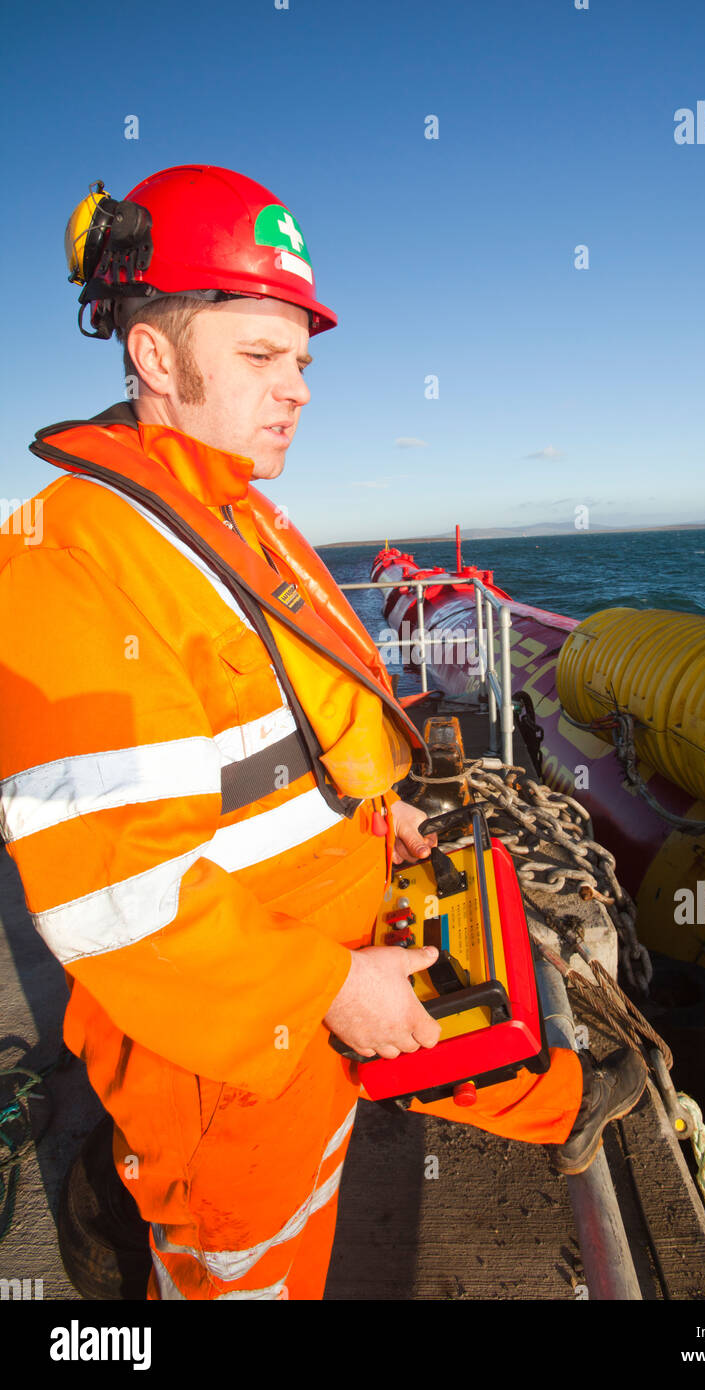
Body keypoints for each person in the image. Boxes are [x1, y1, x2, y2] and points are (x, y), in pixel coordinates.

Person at [0, 164, 646, 1300]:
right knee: (239, 1261)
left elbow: (298, 728)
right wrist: (329, 989)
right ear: (155, 356)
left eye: (300, 360)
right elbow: (116, 890)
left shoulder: (239, 514)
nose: (294, 389)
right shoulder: (75, 560)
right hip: (231, 1053)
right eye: (257, 357)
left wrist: (377, 808)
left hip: (326, 962)